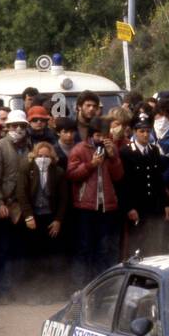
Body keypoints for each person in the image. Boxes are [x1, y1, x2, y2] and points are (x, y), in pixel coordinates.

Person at [67, 118, 124, 283]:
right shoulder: (79, 149)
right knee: (84, 247)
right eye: (98, 135)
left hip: (106, 206)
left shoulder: (111, 148)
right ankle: (81, 284)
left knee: (104, 248)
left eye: (104, 135)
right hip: (85, 206)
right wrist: (91, 164)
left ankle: (103, 284)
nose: (101, 138)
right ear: (92, 135)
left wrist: (113, 158)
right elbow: (71, 175)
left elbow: (119, 176)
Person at [0, 110, 31, 297]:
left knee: (20, 249)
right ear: (7, 127)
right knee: (3, 249)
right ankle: (2, 289)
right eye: (14, 126)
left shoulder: (30, 146)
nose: (18, 129)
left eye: (22, 126)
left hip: (24, 204)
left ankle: (18, 289)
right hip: (5, 202)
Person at [122, 113, 169, 259]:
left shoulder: (154, 150)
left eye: (147, 131)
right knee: (137, 244)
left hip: (154, 205)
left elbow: (159, 180)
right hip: (138, 206)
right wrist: (129, 207)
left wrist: (165, 204)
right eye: (141, 131)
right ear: (134, 132)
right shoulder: (127, 152)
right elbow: (125, 184)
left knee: (155, 244)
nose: (145, 134)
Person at [17, 140, 69, 287]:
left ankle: (48, 288)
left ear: (52, 158)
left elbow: (64, 198)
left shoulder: (58, 172)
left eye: (47, 156)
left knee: (50, 254)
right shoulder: (26, 168)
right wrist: (28, 216)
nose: (43, 159)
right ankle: (30, 287)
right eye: (40, 156)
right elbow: (21, 193)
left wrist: (58, 220)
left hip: (50, 217)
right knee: (32, 253)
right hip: (33, 215)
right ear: (34, 156)